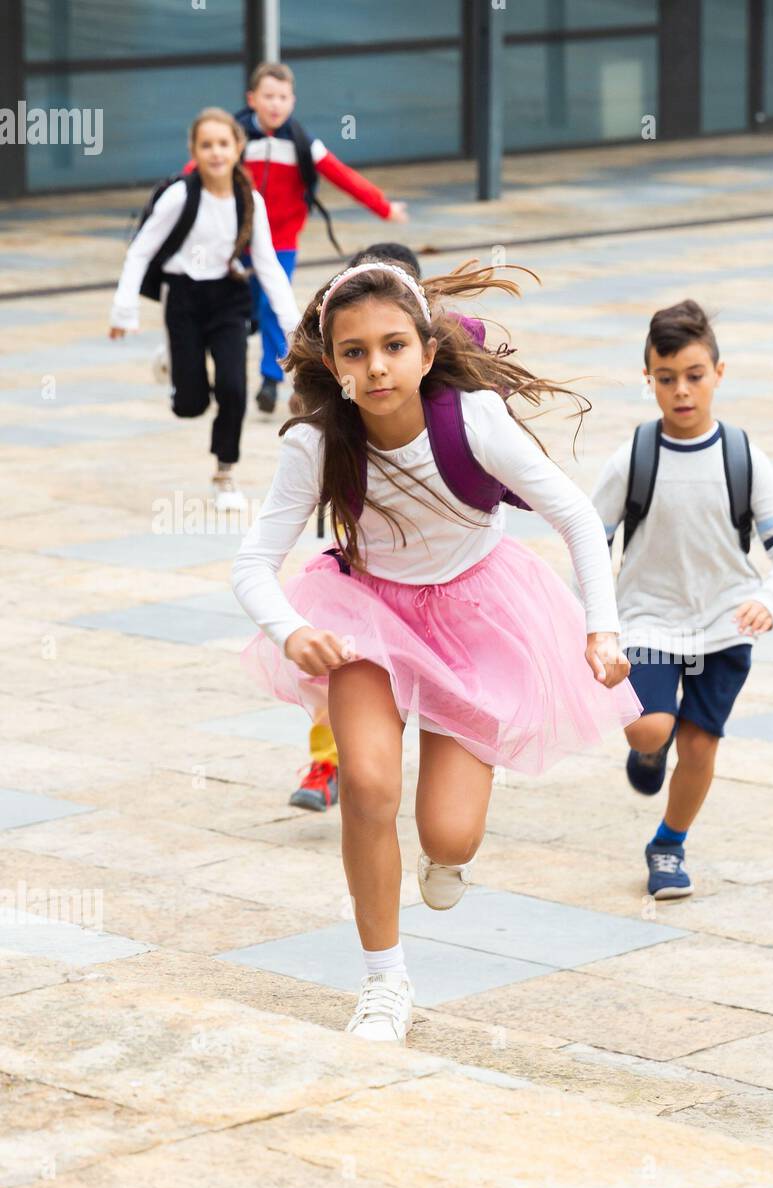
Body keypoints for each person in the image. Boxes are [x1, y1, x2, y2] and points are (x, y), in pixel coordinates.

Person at [231, 257, 639, 1043]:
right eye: (354, 352)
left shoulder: (475, 419)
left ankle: (445, 859)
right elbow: (251, 563)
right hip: (363, 618)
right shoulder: (318, 442)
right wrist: (293, 629)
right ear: (331, 363)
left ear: (425, 349)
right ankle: (384, 983)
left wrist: (602, 628)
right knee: (369, 788)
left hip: (474, 616)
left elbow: (578, 518)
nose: (376, 366)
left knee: (451, 835)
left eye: (392, 346)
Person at [591, 299, 773, 900]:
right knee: (648, 730)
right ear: (649, 381)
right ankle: (647, 752)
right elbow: (590, 534)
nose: (681, 391)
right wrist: (598, 620)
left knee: (699, 743)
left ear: (719, 372)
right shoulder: (635, 455)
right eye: (666, 380)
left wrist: (772, 598)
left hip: (724, 623)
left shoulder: (742, 455)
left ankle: (668, 844)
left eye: (694, 376)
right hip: (649, 621)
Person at [286, 241, 428, 815]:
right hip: (364, 571)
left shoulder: (451, 397)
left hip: (446, 583)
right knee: (337, 672)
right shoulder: (335, 411)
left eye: (395, 341)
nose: (378, 361)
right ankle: (329, 760)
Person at [110, 108, 299, 511]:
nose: (216, 152)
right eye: (206, 145)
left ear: (237, 148)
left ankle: (224, 472)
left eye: (223, 144)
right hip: (183, 300)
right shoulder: (180, 196)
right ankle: (176, 364)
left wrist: (292, 324)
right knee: (190, 404)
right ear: (194, 151)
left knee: (234, 389)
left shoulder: (251, 201)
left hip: (229, 297)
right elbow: (140, 251)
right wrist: (123, 310)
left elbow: (267, 265)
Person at [226, 61, 409, 416]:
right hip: (236, 241)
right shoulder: (235, 140)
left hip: (280, 243)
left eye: (282, 97)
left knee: (270, 307)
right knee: (239, 306)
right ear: (252, 99)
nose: (275, 104)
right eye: (268, 96)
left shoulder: (301, 144)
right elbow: (199, 172)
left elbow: (343, 176)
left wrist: (383, 207)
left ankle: (268, 378)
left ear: (292, 101)